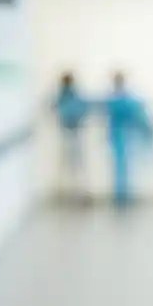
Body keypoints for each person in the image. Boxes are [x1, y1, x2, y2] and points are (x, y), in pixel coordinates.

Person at [105, 71, 153, 210]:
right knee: (122, 168)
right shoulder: (121, 100)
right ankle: (121, 197)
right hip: (121, 137)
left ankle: (122, 197)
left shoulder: (119, 99)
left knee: (123, 168)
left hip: (122, 137)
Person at [53, 71, 91, 205]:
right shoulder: (66, 96)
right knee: (75, 164)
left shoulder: (65, 96)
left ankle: (73, 195)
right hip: (72, 132)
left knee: (72, 164)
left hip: (71, 132)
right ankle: (75, 195)